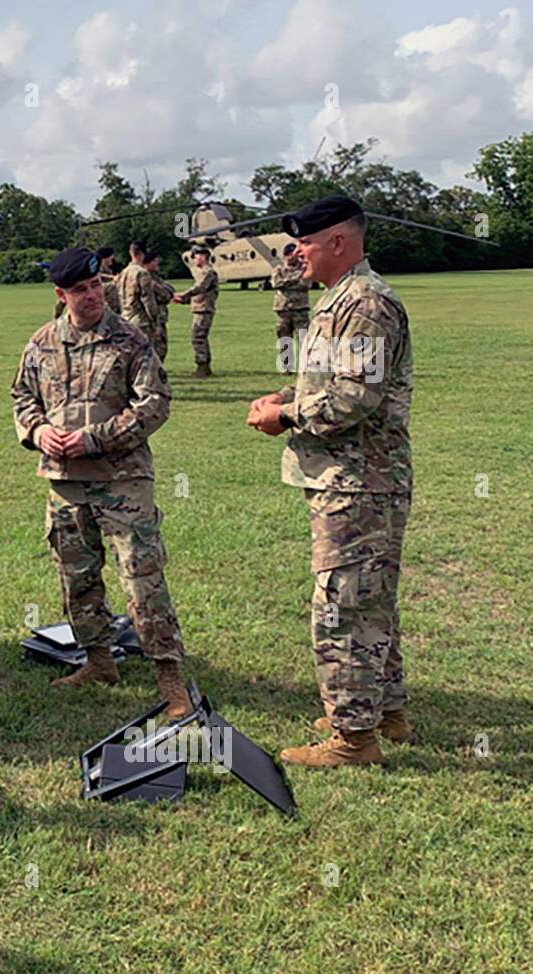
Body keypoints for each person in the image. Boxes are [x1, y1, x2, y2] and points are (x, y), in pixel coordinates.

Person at [246, 195, 414, 767]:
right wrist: (286, 397)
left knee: (343, 604)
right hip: (348, 478)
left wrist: (285, 417)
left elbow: (355, 397)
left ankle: (353, 738)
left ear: (338, 243)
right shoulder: (339, 301)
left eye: (306, 244)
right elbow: (334, 382)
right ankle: (382, 713)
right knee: (370, 600)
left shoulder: (365, 304)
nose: (296, 254)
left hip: (360, 482)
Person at [11, 248, 192, 716]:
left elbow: (155, 403)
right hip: (65, 482)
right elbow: (22, 397)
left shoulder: (130, 340)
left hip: (122, 479)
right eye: (79, 290)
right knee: (77, 575)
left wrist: (94, 439)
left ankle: (169, 675)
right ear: (61, 294)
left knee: (142, 576)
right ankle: (97, 660)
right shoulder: (41, 343)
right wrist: (38, 431)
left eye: (96, 287)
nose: (91, 296)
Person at [173, 246, 218, 376]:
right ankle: (206, 367)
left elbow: (200, 288)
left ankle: (202, 367)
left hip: (204, 309)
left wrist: (183, 295)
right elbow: (199, 294)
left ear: (203, 257)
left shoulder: (208, 272)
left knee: (197, 337)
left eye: (196, 256)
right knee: (201, 337)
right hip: (200, 307)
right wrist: (184, 300)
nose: (194, 259)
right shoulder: (204, 272)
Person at [270, 241, 312, 368]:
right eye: (290, 254)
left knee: (304, 340)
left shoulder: (305, 268)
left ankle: (306, 365)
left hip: (300, 309)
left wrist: (286, 282)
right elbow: (276, 283)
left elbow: (305, 284)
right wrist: (295, 279)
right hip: (283, 310)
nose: (292, 257)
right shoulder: (278, 269)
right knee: (284, 339)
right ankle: (286, 366)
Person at [115, 239, 159, 342]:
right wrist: (155, 323)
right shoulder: (142, 273)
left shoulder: (123, 273)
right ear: (143, 253)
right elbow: (147, 300)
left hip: (126, 319)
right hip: (140, 321)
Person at [145, 253, 176, 361]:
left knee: (162, 347)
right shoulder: (147, 279)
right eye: (154, 260)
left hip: (160, 316)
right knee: (157, 348)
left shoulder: (156, 277)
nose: (157, 262)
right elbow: (165, 294)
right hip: (153, 318)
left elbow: (171, 290)